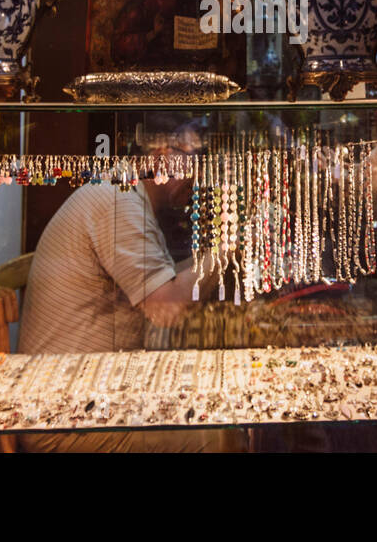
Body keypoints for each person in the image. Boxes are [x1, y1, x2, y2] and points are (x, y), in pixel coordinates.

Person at [17, 122, 234, 451]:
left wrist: (212, 258)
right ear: (163, 155)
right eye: (195, 158)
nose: (198, 174)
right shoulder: (119, 203)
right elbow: (165, 309)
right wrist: (226, 249)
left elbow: (165, 284)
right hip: (63, 415)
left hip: (91, 389)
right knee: (218, 431)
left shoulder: (123, 191)